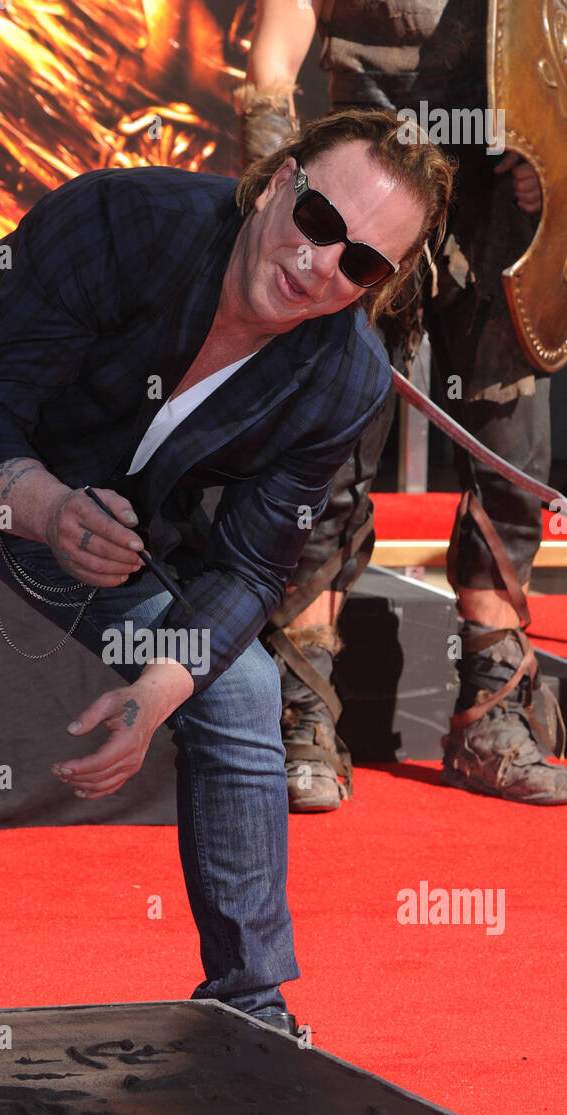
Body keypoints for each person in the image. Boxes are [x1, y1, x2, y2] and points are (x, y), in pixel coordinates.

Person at [0, 110, 451, 1024]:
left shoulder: (341, 376)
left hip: (83, 493)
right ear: (276, 182)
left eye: (361, 263)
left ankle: (252, 1008)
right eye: (317, 222)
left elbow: (251, 566)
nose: (321, 266)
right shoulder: (123, 219)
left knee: (229, 687)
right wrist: (44, 509)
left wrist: (157, 688)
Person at [237, 0, 565, 809]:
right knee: (328, 446)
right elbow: (272, 65)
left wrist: (550, 157)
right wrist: (282, 191)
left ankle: (490, 711)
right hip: (364, 192)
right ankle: (303, 705)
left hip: (495, 211)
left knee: (509, 458)